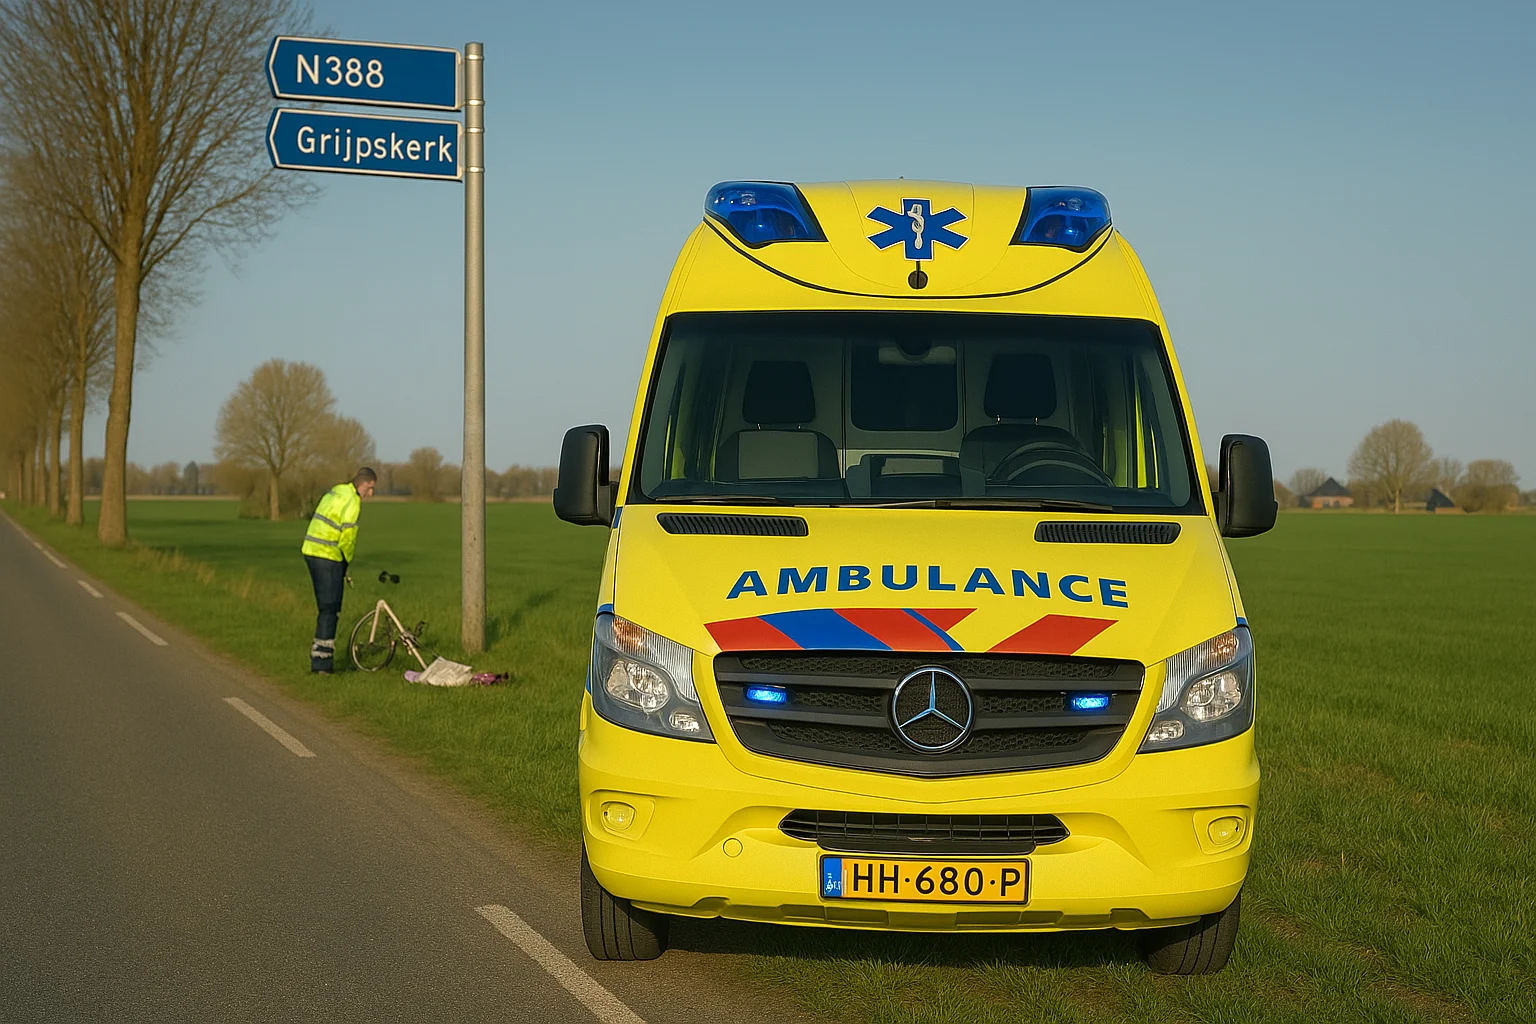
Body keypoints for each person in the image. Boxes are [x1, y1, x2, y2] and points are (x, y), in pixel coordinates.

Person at [301, 467, 376, 673]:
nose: (371, 494)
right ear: (362, 485)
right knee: (330, 609)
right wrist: (346, 563)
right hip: (328, 556)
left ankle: (318, 657)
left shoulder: (335, 491)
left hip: (310, 551)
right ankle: (322, 664)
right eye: (370, 488)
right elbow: (347, 539)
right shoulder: (353, 502)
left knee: (324, 608)